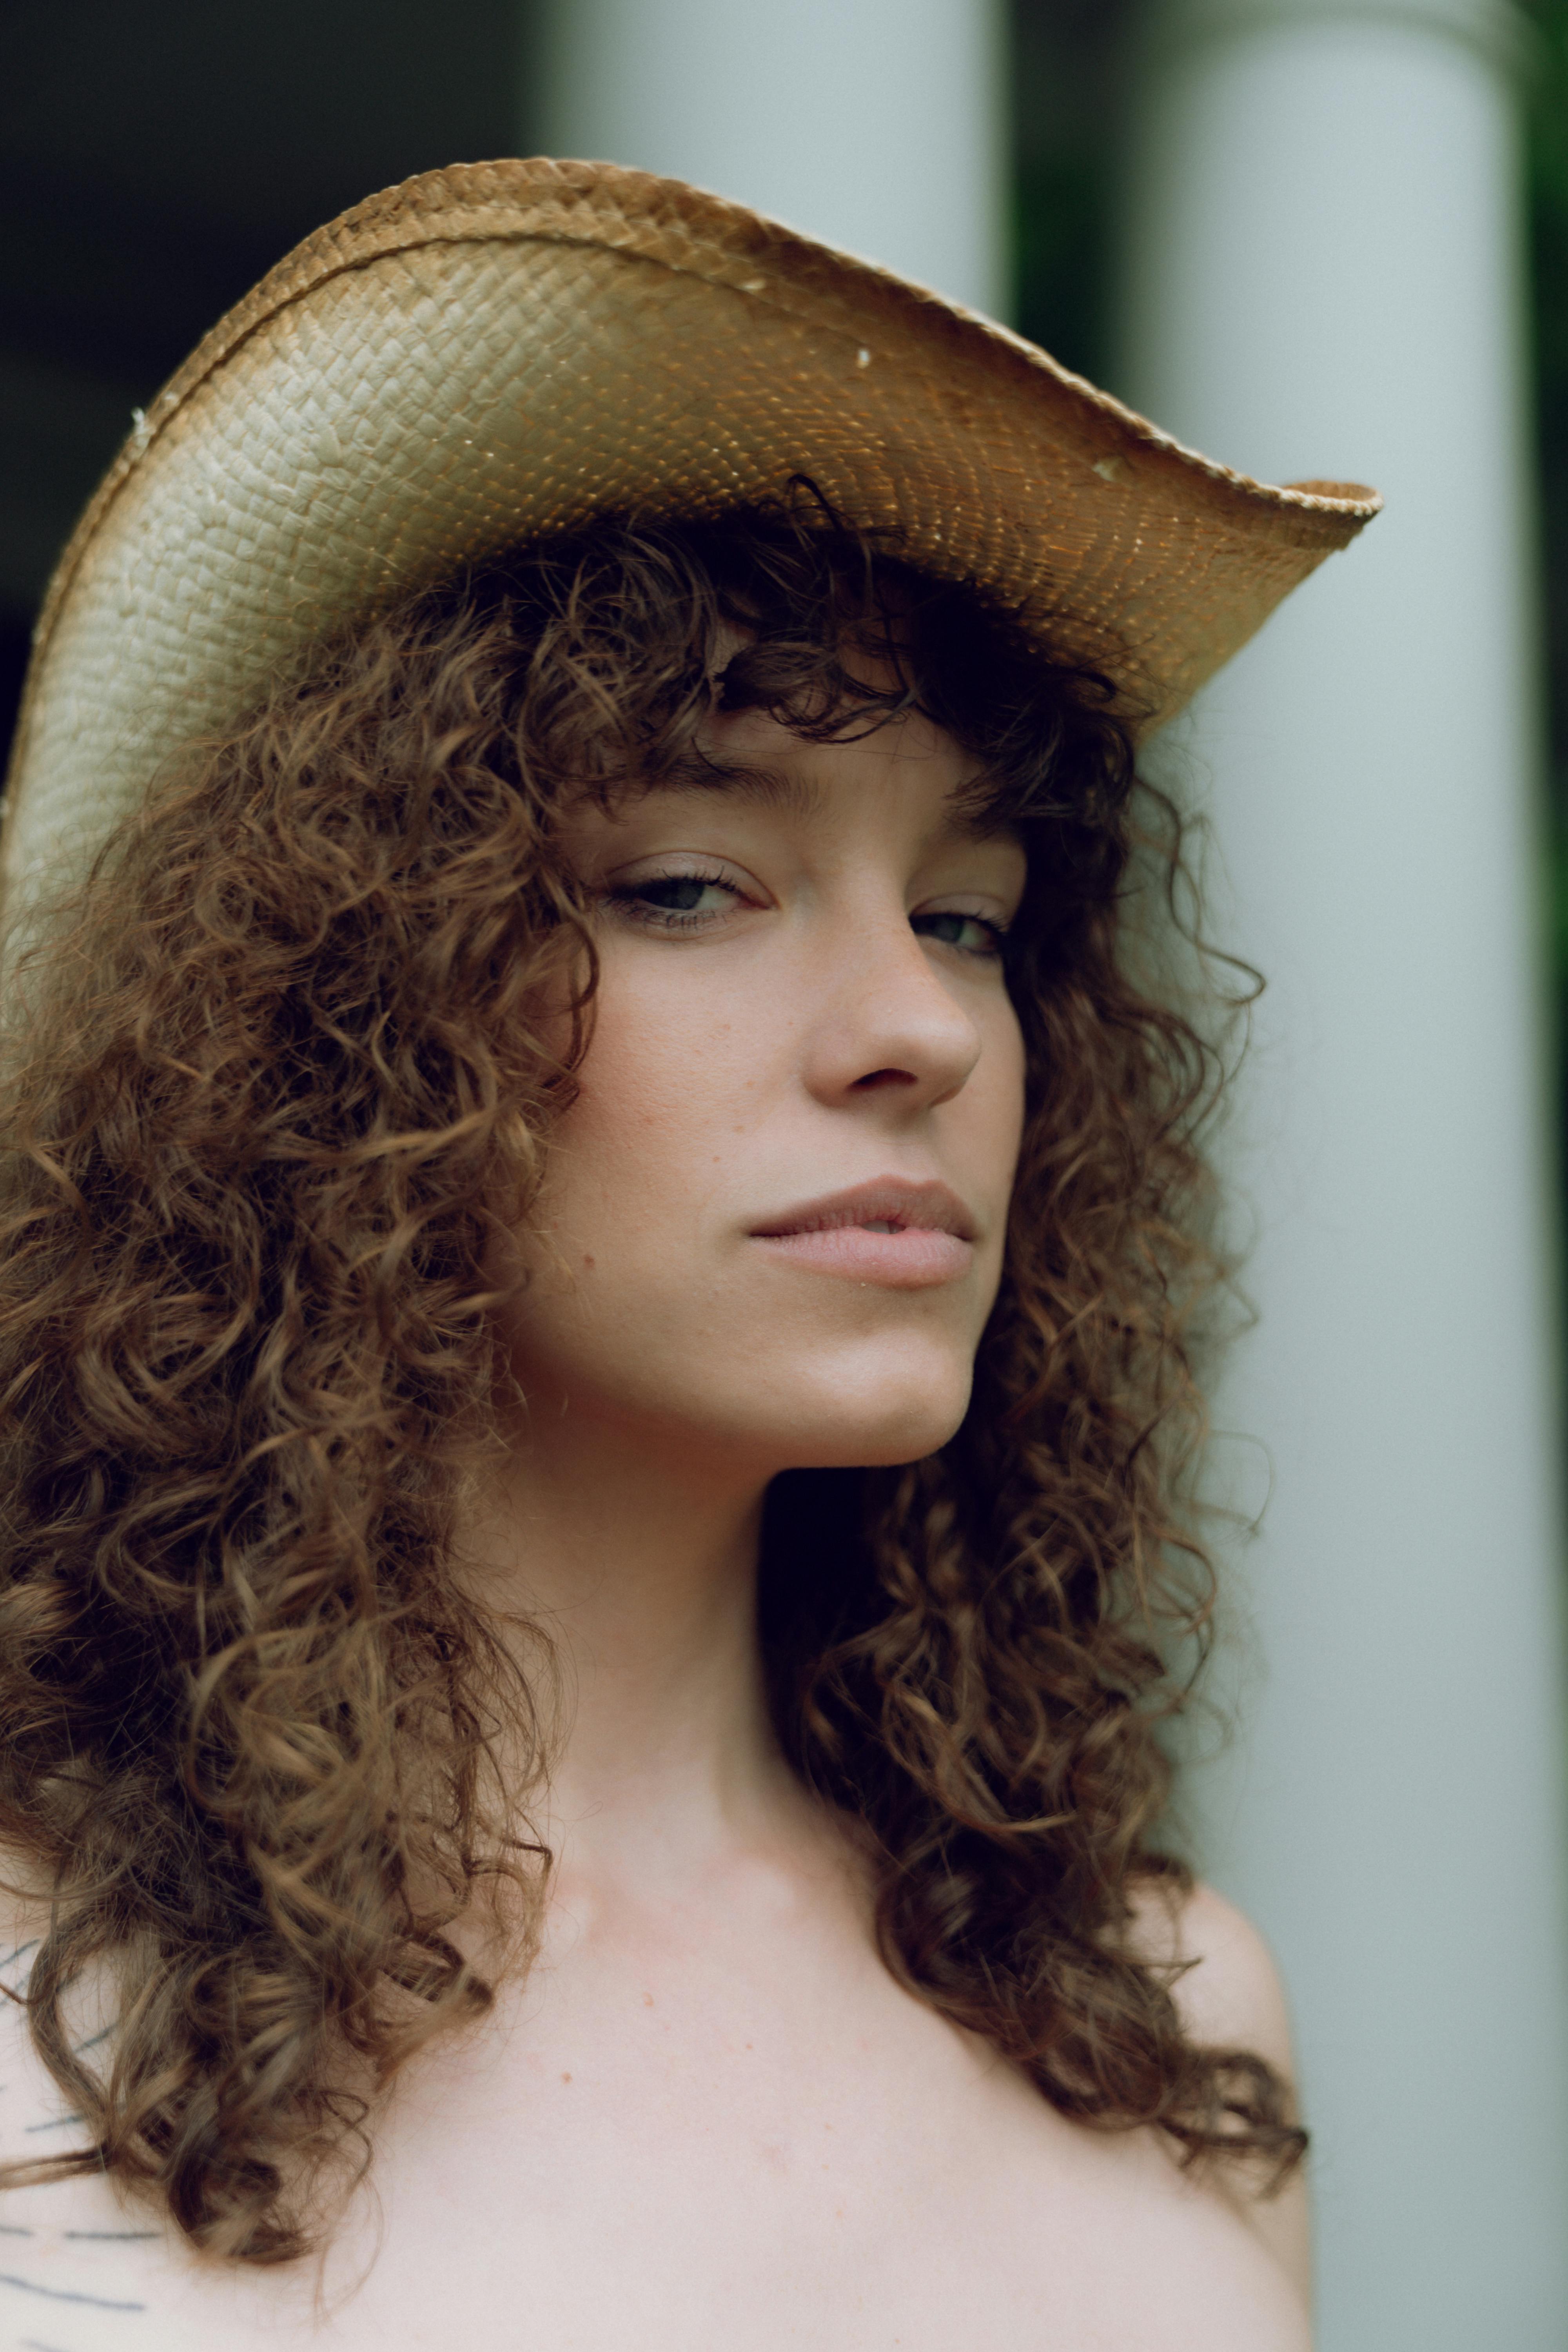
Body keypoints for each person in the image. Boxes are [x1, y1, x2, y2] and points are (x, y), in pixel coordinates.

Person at [0, 160, 1376, 2350]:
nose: (922, 1027)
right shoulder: (34, 1998)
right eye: (689, 890)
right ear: (339, 1011)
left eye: (969, 916)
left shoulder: (1159, 2004)